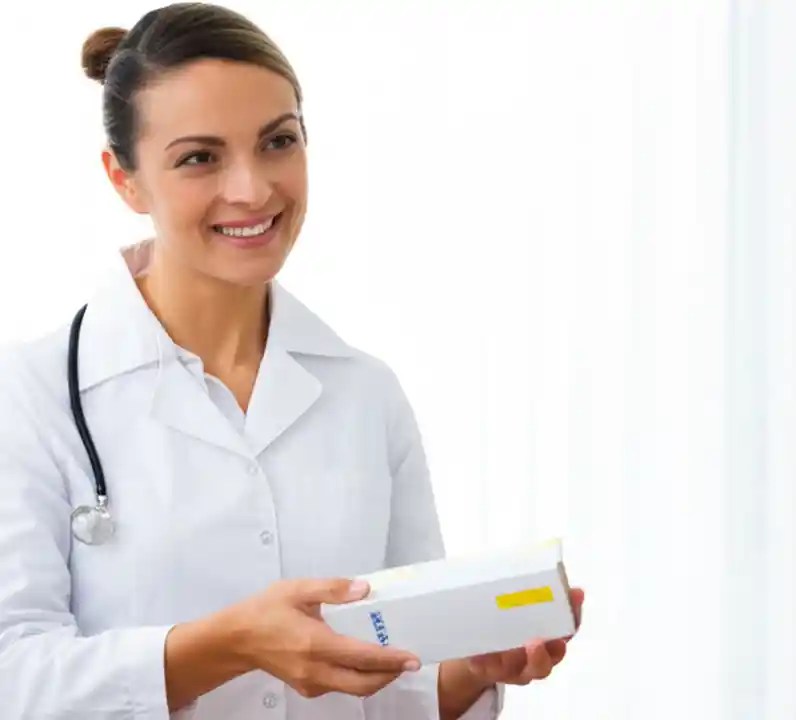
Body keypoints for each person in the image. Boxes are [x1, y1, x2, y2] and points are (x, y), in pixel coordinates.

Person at [0, 4, 583, 718]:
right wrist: (231, 644)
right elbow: (13, 676)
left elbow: (397, 682)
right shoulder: (29, 395)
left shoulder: (366, 395)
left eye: (278, 142)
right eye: (199, 158)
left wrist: (464, 674)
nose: (252, 189)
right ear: (124, 180)